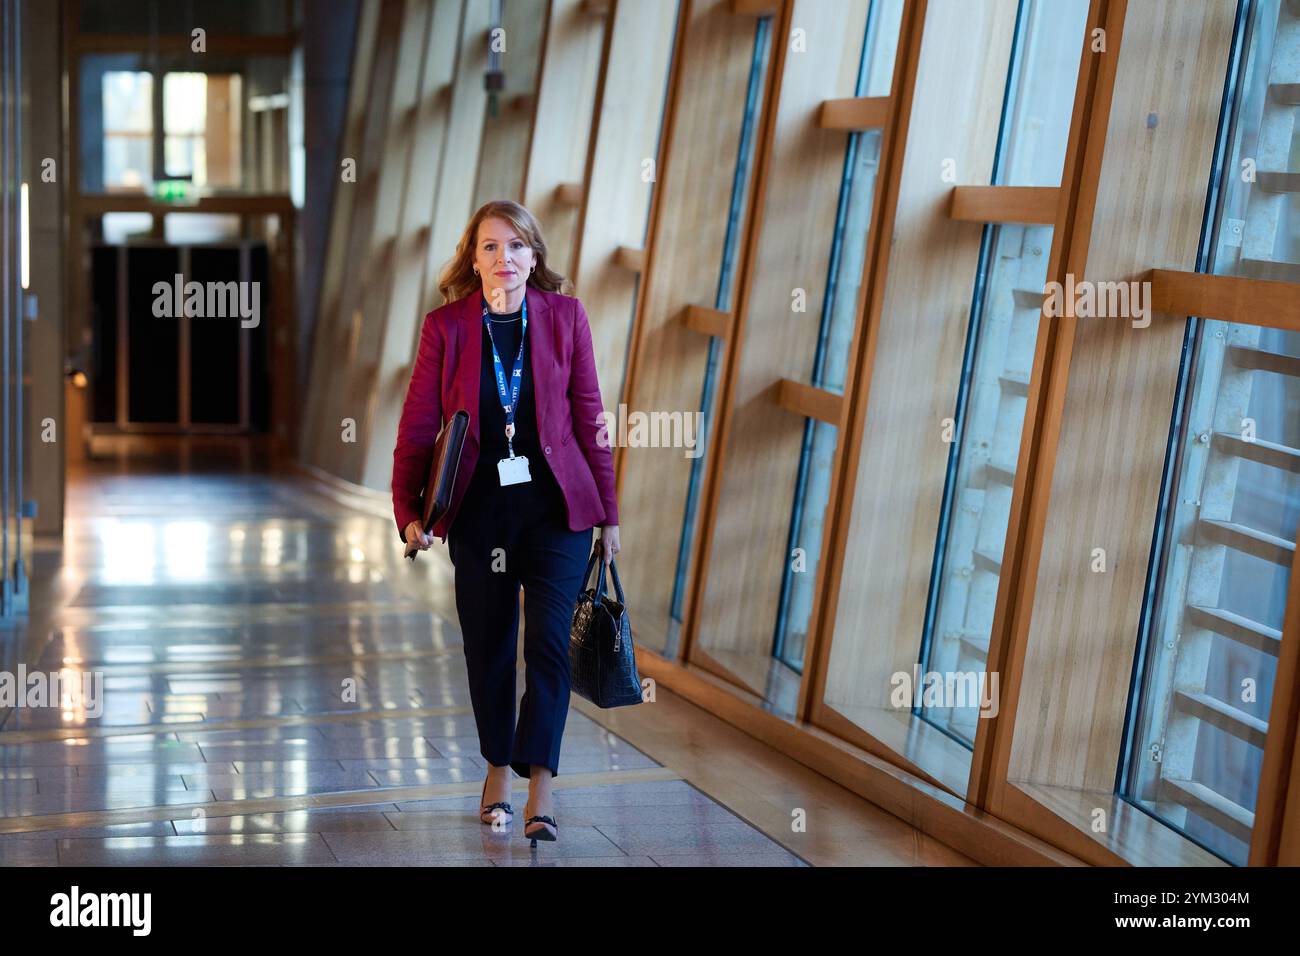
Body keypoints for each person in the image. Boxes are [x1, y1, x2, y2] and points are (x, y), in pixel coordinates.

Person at [391, 199, 621, 846]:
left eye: (517, 246)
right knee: (489, 648)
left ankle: (541, 788)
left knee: (549, 646)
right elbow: (415, 429)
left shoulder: (566, 319)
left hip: (558, 513)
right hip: (482, 514)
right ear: (473, 258)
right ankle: (497, 768)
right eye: (491, 247)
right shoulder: (448, 328)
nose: (505, 259)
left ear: (535, 257)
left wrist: (609, 515)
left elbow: (590, 418)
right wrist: (410, 513)